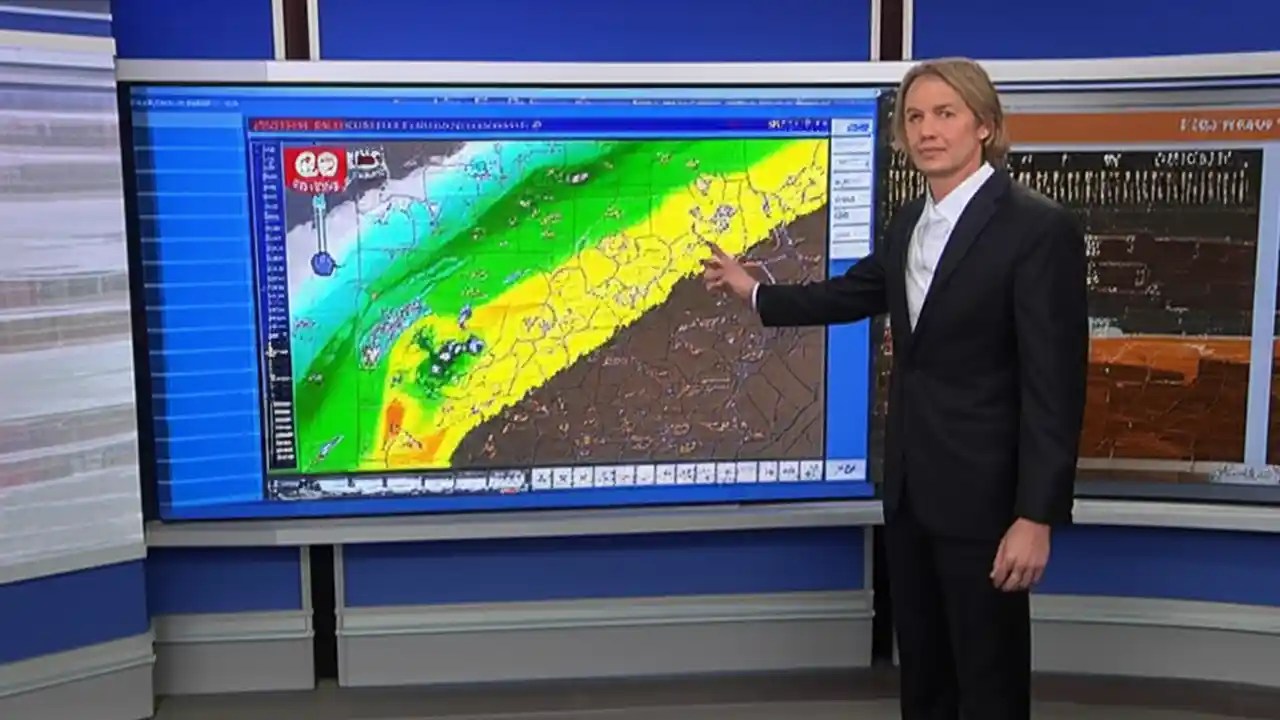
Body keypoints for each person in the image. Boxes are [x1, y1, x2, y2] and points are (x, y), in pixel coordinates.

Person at [702, 57, 1089, 719]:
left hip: (988, 503)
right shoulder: (910, 222)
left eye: (945, 114)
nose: (926, 130)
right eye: (915, 117)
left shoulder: (1036, 228)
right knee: (926, 678)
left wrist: (1036, 517)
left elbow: (1056, 384)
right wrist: (754, 292)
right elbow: (852, 292)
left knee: (988, 681)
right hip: (911, 493)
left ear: (985, 127)